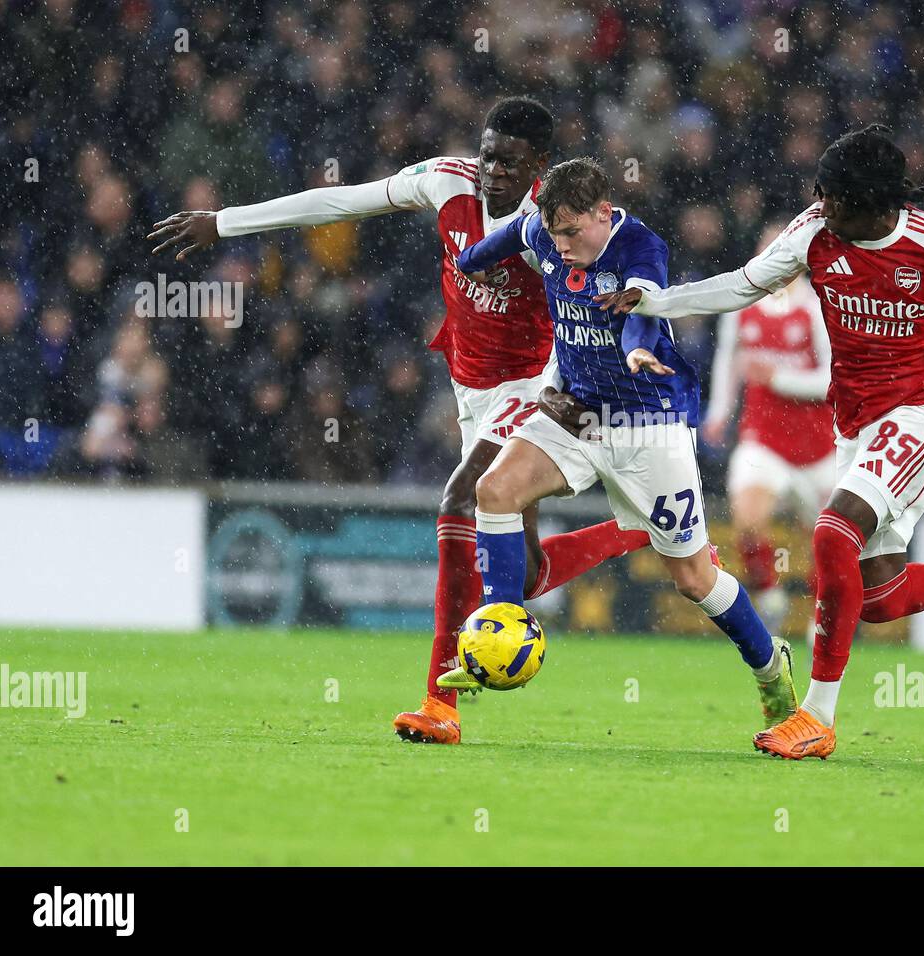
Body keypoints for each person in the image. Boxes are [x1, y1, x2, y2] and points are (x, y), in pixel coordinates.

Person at [149, 97, 652, 745]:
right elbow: (340, 202)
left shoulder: (549, 224)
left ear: (540, 165)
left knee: (459, 502)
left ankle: (440, 701)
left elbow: (626, 252)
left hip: (538, 383)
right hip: (473, 392)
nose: (492, 169)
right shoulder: (447, 180)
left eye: (510, 161)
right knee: (521, 573)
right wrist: (224, 223)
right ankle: (640, 530)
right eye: (488, 152)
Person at [597, 125, 924, 759]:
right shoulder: (816, 229)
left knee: (830, 532)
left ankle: (816, 717)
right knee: (879, 598)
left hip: (920, 418)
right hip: (855, 428)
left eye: (835, 198)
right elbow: (745, 284)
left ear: (876, 204)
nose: (822, 205)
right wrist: (659, 301)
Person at [453, 157, 798, 727]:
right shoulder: (542, 229)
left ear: (603, 213)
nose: (560, 245)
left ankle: (768, 665)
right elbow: (509, 236)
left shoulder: (640, 246)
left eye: (572, 232)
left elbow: (640, 299)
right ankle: (497, 633)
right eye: (554, 232)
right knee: (493, 491)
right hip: (578, 415)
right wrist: (470, 264)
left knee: (693, 578)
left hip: (649, 423)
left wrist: (639, 348)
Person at [702, 223, 835, 635]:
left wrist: (777, 378)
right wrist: (718, 412)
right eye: (768, 249)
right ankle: (770, 594)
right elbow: (729, 360)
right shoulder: (743, 304)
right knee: (746, 519)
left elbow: (834, 379)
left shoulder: (816, 305)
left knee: (830, 543)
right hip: (763, 437)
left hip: (820, 446)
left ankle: (822, 617)